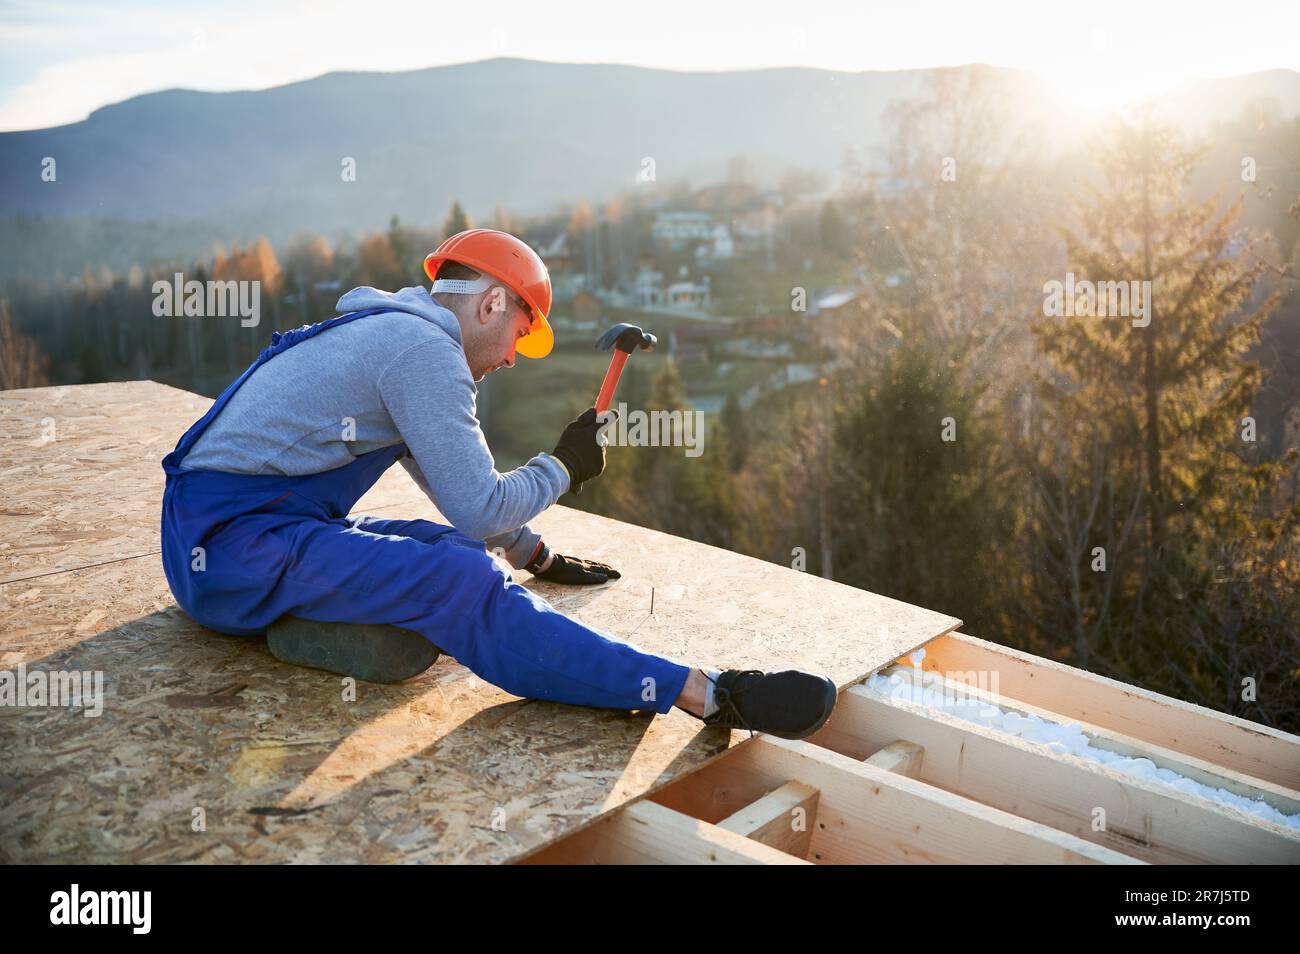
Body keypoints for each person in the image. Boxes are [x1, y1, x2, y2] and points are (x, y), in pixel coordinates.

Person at [160, 228, 837, 739]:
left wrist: (531, 554)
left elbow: (456, 495)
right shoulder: (424, 350)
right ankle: (703, 691)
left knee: (456, 550)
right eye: (520, 330)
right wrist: (565, 468)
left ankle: (303, 624)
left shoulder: (395, 336)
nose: (514, 356)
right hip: (226, 550)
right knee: (457, 584)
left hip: (243, 533)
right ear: (489, 303)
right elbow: (480, 500)